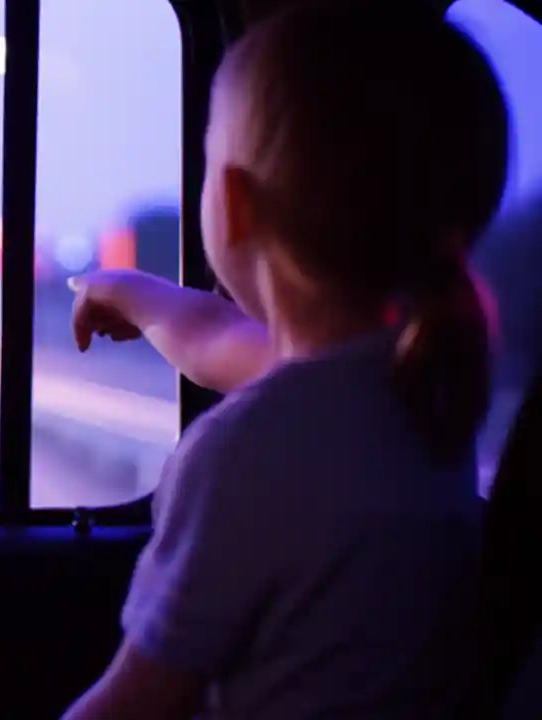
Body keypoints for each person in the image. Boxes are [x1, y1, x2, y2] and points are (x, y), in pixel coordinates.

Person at [63, 2, 508, 717]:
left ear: (233, 201)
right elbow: (215, 338)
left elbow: (136, 703)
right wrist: (131, 292)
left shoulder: (244, 453)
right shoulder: (419, 392)